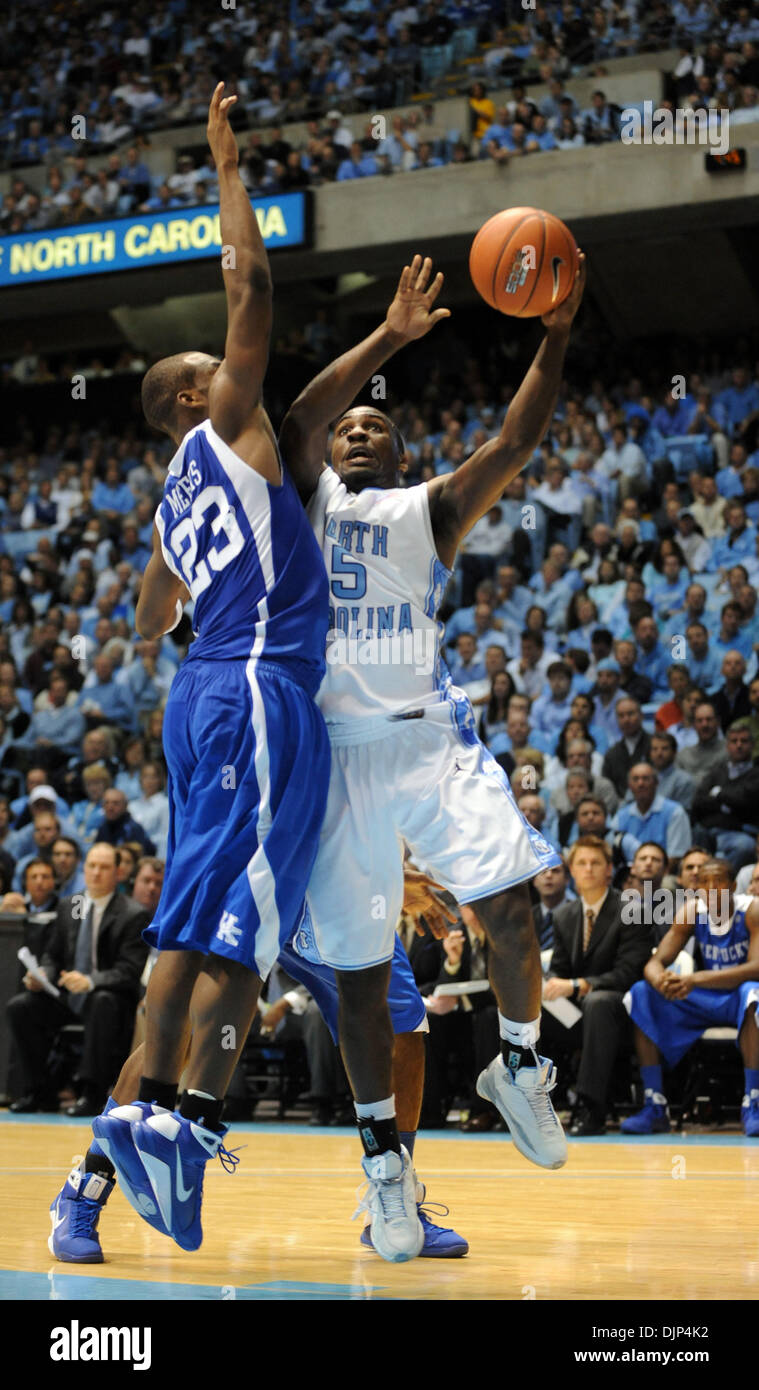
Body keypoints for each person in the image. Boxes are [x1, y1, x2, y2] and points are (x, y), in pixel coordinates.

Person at [275, 251, 587, 1244]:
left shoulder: (428, 511)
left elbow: (515, 439)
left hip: (427, 743)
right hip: (336, 757)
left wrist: (556, 332)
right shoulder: (304, 501)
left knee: (507, 898)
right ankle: (384, 1170)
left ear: (398, 451)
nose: (357, 431)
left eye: (376, 425)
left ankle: (523, 1063)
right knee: (364, 981)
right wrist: (390, 338)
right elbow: (294, 424)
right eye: (349, 425)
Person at [82, 85, 332, 1259]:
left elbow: (145, 615)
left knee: (206, 926)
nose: (238, 373)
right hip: (258, 690)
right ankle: (162, 1120)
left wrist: (195, 631)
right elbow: (252, 284)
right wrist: (228, 163)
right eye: (215, 369)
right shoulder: (223, 421)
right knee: (244, 930)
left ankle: (153, 1122)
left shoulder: (170, 505)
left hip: (199, 700)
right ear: (194, 393)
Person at [6, 843, 149, 1115]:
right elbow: (53, 956)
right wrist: (42, 975)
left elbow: (128, 970)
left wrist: (91, 981)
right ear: (84, 869)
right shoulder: (71, 906)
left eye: (104, 867)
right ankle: (40, 1091)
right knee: (20, 1006)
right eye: (92, 866)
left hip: (110, 1001)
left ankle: (92, 1093)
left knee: (101, 1000)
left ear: (118, 872)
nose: (96, 873)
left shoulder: (133, 913)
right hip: (67, 997)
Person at [622, 858, 759, 1136]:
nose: (710, 889)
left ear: (732, 886)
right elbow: (654, 962)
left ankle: (753, 1101)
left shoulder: (752, 911)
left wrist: (694, 979)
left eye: (718, 882)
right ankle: (655, 1105)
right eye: (703, 884)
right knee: (641, 993)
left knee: (752, 993)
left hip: (738, 998)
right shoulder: (691, 911)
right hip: (708, 1000)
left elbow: (755, 968)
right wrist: (661, 981)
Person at [543, 836, 653, 1134]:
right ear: (571, 872)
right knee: (518, 1008)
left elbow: (628, 973)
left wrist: (577, 985)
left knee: (599, 1002)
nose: (588, 868)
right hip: (578, 1013)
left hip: (622, 1007)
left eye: (596, 863)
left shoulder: (633, 909)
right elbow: (560, 971)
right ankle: (520, 1107)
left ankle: (592, 1108)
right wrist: (549, 986)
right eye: (581, 863)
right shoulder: (563, 915)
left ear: (609, 870)